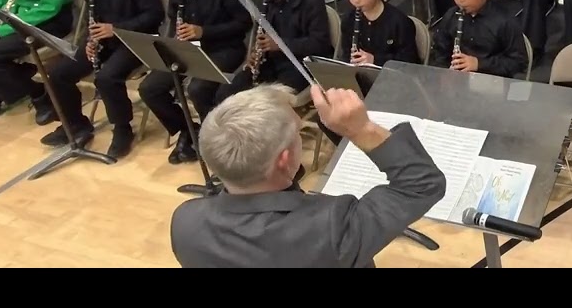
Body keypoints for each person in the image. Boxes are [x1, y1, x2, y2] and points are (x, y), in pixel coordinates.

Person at [171, 84, 447, 268]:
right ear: (286, 159)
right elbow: (421, 184)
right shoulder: (331, 227)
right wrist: (362, 129)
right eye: (297, 133)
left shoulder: (185, 222)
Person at [138, 0, 252, 164]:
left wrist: (203, 32)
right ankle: (190, 131)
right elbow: (172, 18)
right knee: (150, 88)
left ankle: (214, 138)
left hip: (223, 48)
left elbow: (243, 24)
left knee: (199, 89)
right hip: (186, 48)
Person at [47, 0, 163, 158]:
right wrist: (91, 41)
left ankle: (122, 129)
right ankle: (75, 124)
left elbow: (153, 17)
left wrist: (116, 29)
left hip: (136, 41)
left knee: (107, 78)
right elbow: (95, 19)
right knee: (59, 73)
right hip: (105, 40)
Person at [208, 0, 332, 113]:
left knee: (266, 107)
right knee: (225, 94)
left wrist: (281, 45)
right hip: (270, 62)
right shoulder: (264, 0)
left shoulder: (311, 3)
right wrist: (253, 55)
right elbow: (261, 36)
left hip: (300, 67)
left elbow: (320, 44)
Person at [321, 0, 419, 145]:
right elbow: (344, 54)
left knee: (374, 119)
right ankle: (352, 148)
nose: (356, 0)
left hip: (393, 87)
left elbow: (411, 63)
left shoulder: (399, 22)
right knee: (328, 116)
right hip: (360, 84)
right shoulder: (350, 19)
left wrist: (376, 60)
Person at [429, 0, 528, 78]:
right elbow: (439, 52)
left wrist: (479, 64)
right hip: (458, 84)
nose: (460, 0)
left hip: (492, 86)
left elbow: (519, 63)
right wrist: (444, 73)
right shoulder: (451, 15)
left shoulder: (505, 22)